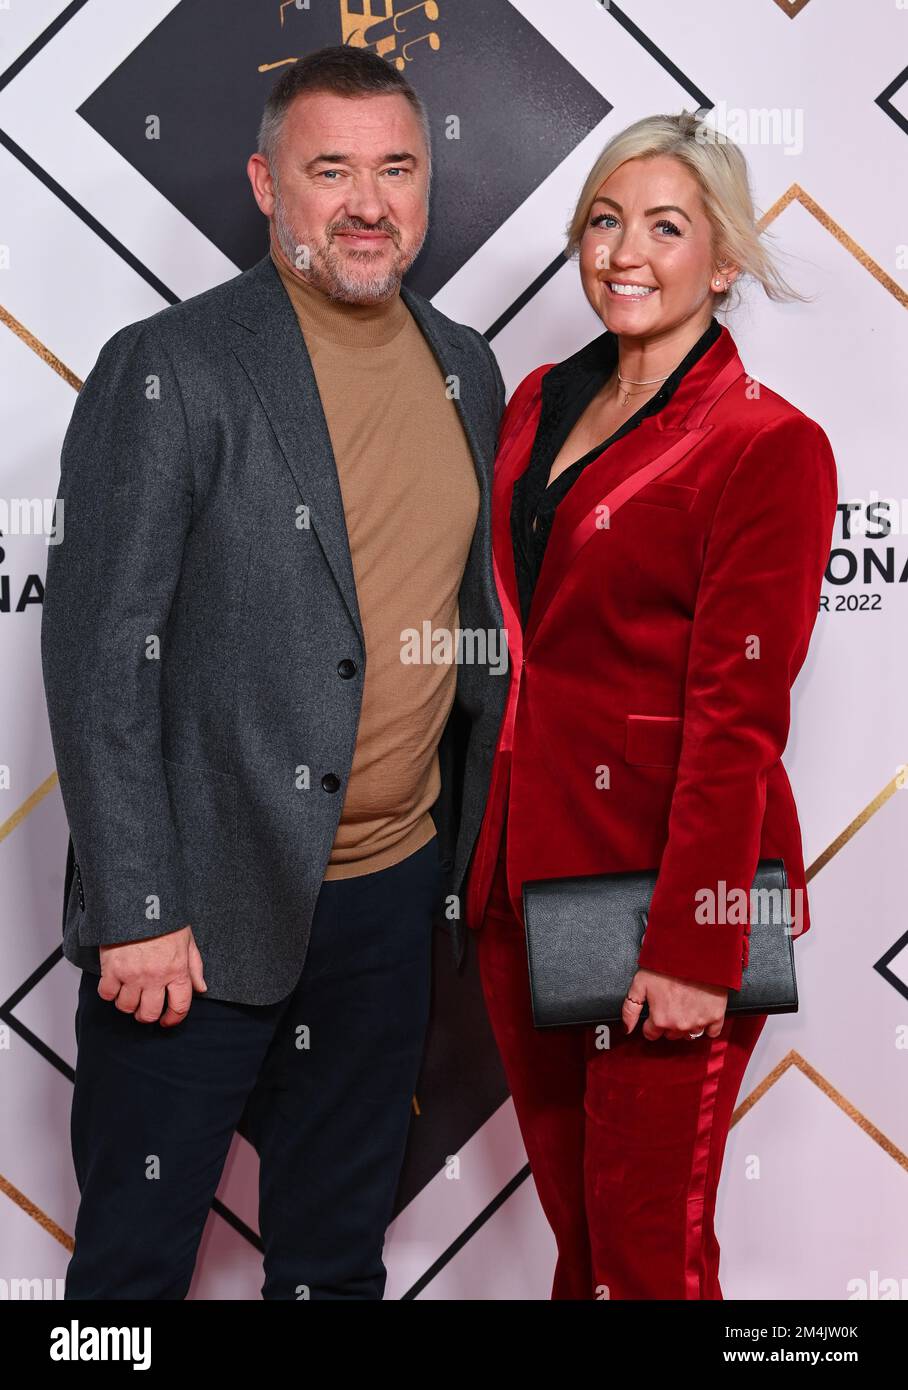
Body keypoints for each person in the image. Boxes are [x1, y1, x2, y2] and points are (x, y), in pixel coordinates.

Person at [41, 45, 507, 1300]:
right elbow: (96, 657)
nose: (368, 202)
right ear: (263, 182)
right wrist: (138, 907)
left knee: (335, 1255)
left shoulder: (466, 365)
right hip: (197, 912)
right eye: (331, 169)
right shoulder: (173, 364)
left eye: (396, 168)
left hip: (388, 901)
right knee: (130, 1271)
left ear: (425, 183)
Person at [462, 111, 838, 1300]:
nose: (623, 251)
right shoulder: (533, 403)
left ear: (722, 262)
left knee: (646, 1255)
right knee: (586, 1245)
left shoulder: (766, 445)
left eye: (665, 228)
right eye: (603, 222)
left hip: (670, 902)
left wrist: (693, 951)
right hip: (523, 876)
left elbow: (738, 717)